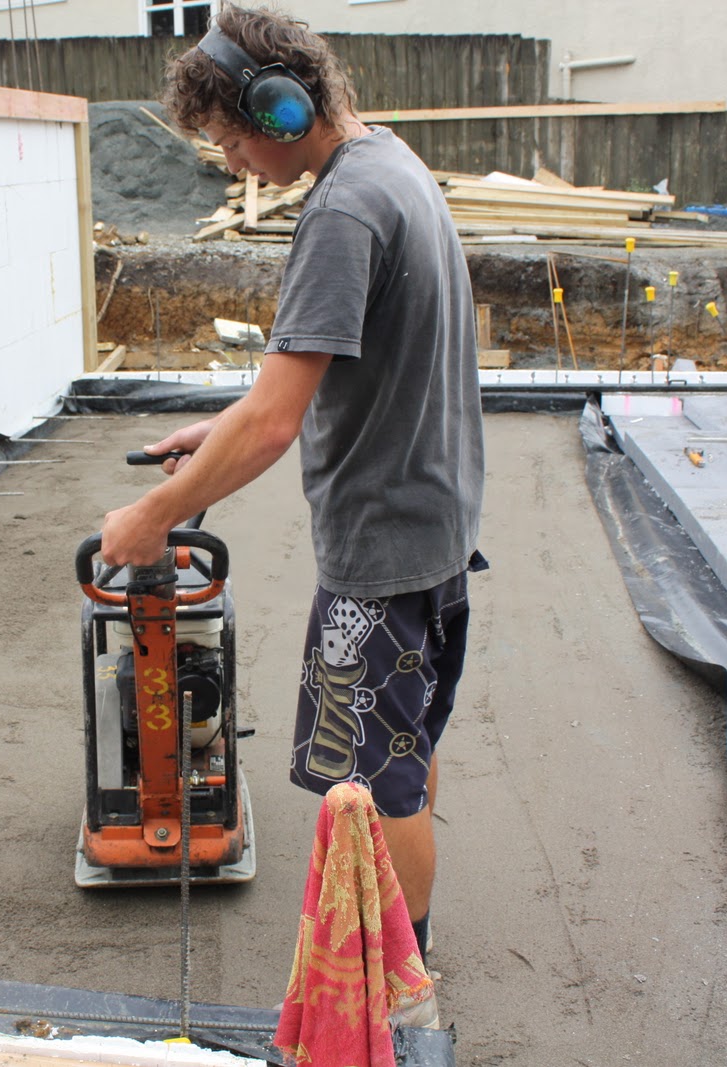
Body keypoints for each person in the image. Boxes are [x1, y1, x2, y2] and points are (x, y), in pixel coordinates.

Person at [99, 4, 485, 960]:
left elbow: (274, 422)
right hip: (435, 525)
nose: (232, 163)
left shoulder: (342, 211)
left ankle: (400, 991)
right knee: (405, 750)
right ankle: (403, 970)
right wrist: (219, 428)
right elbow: (335, 373)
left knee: (375, 785)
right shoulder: (391, 165)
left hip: (382, 552)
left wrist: (154, 516)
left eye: (232, 138)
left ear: (280, 109)